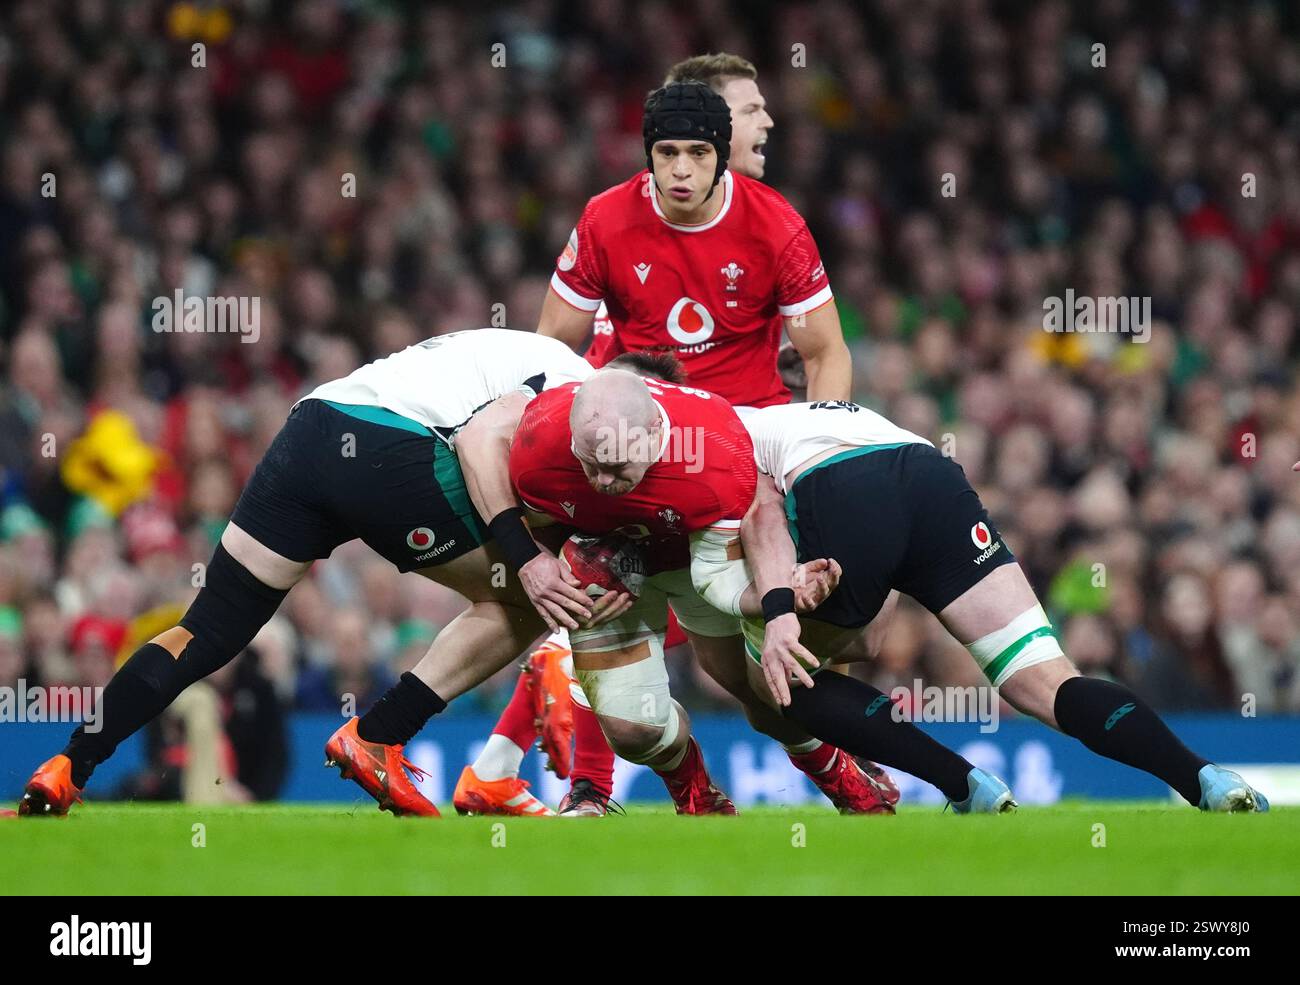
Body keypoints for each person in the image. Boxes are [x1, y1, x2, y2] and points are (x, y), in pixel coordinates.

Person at [459, 75, 894, 817]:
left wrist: (823, 440)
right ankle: (592, 787)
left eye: (699, 151)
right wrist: (575, 434)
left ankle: (829, 770)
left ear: (718, 151)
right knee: (611, 607)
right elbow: (550, 350)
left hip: (746, 448)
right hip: (640, 450)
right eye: (669, 152)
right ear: (652, 154)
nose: (684, 168)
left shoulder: (774, 222)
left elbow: (825, 349)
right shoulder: (606, 219)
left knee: (779, 658)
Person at [18, 330, 625, 817]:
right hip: (386, 444)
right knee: (528, 599)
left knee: (205, 631)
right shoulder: (583, 386)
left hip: (311, 428)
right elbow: (477, 442)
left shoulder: (531, 358)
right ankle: (380, 735)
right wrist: (527, 560)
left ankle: (69, 765)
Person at [691, 400, 1271, 813]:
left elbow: (764, 514)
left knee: (781, 675)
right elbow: (867, 639)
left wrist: (776, 609)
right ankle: (1205, 779)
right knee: (1041, 678)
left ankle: (965, 785)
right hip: (930, 478)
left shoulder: (722, 433)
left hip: (842, 490)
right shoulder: (812, 414)